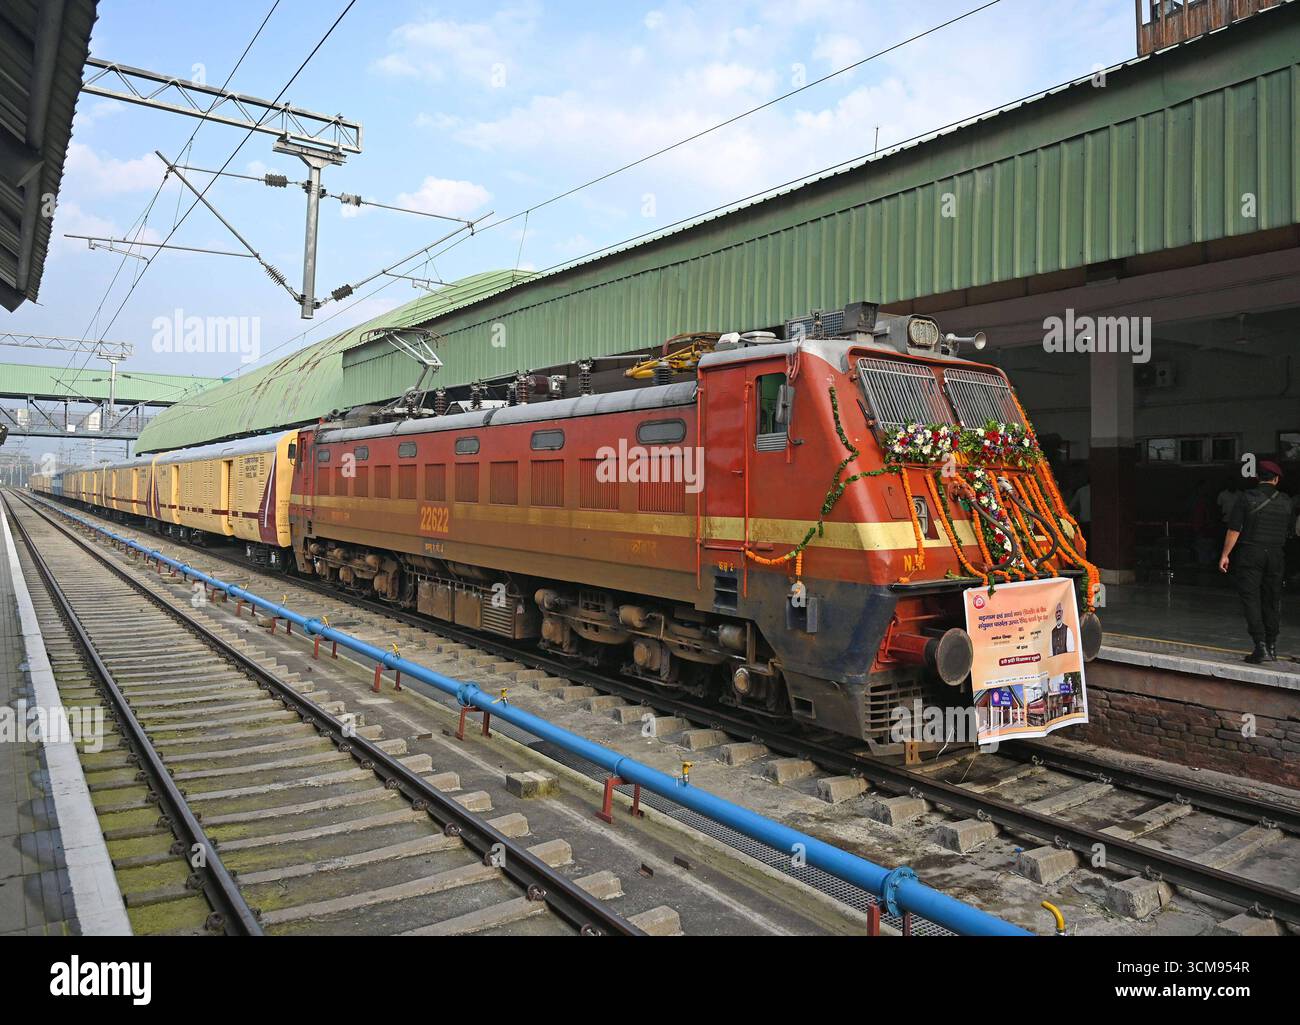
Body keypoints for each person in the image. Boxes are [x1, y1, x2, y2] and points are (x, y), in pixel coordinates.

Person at [1219, 461, 1295, 663]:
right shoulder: (1286, 501)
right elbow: (1289, 531)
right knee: (1272, 599)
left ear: (1257, 478)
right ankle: (1272, 646)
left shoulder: (1246, 498)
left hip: (1251, 553)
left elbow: (1234, 529)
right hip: (1276, 555)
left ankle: (1260, 645)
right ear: (1276, 479)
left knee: (1251, 598)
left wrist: (1225, 554)